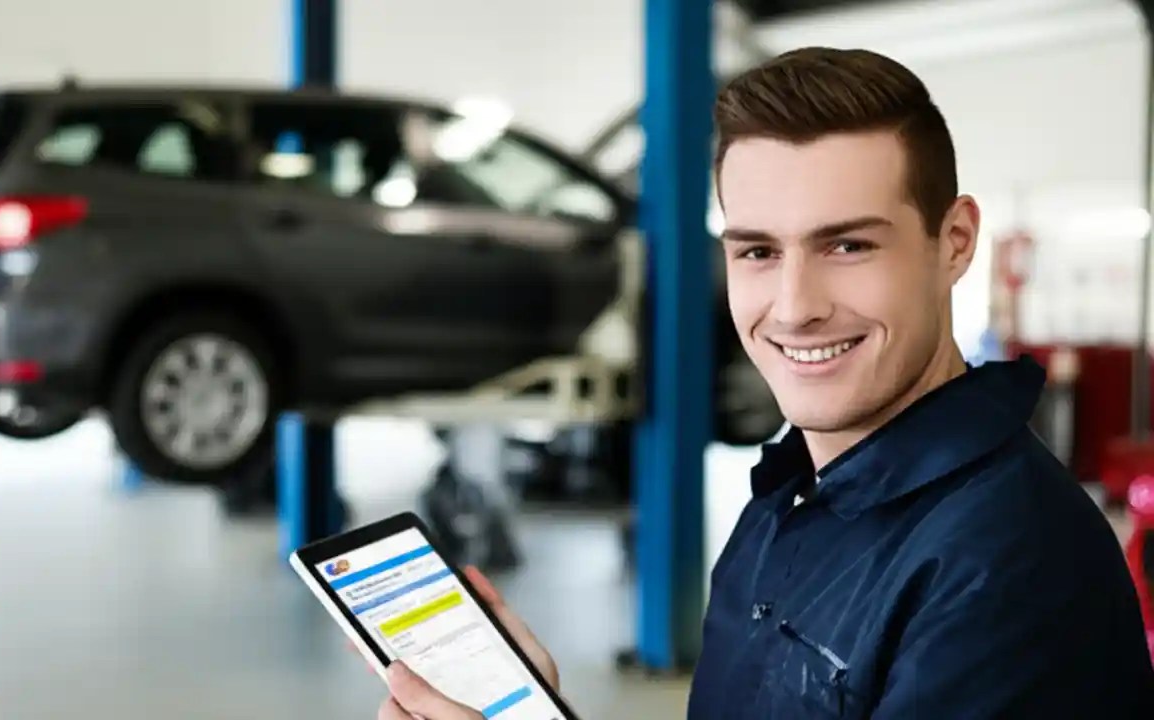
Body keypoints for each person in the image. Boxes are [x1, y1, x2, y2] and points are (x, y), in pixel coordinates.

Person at [374, 47, 1154, 719]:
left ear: (953, 242)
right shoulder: (789, 496)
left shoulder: (1008, 569)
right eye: (757, 252)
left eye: (847, 246)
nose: (793, 307)